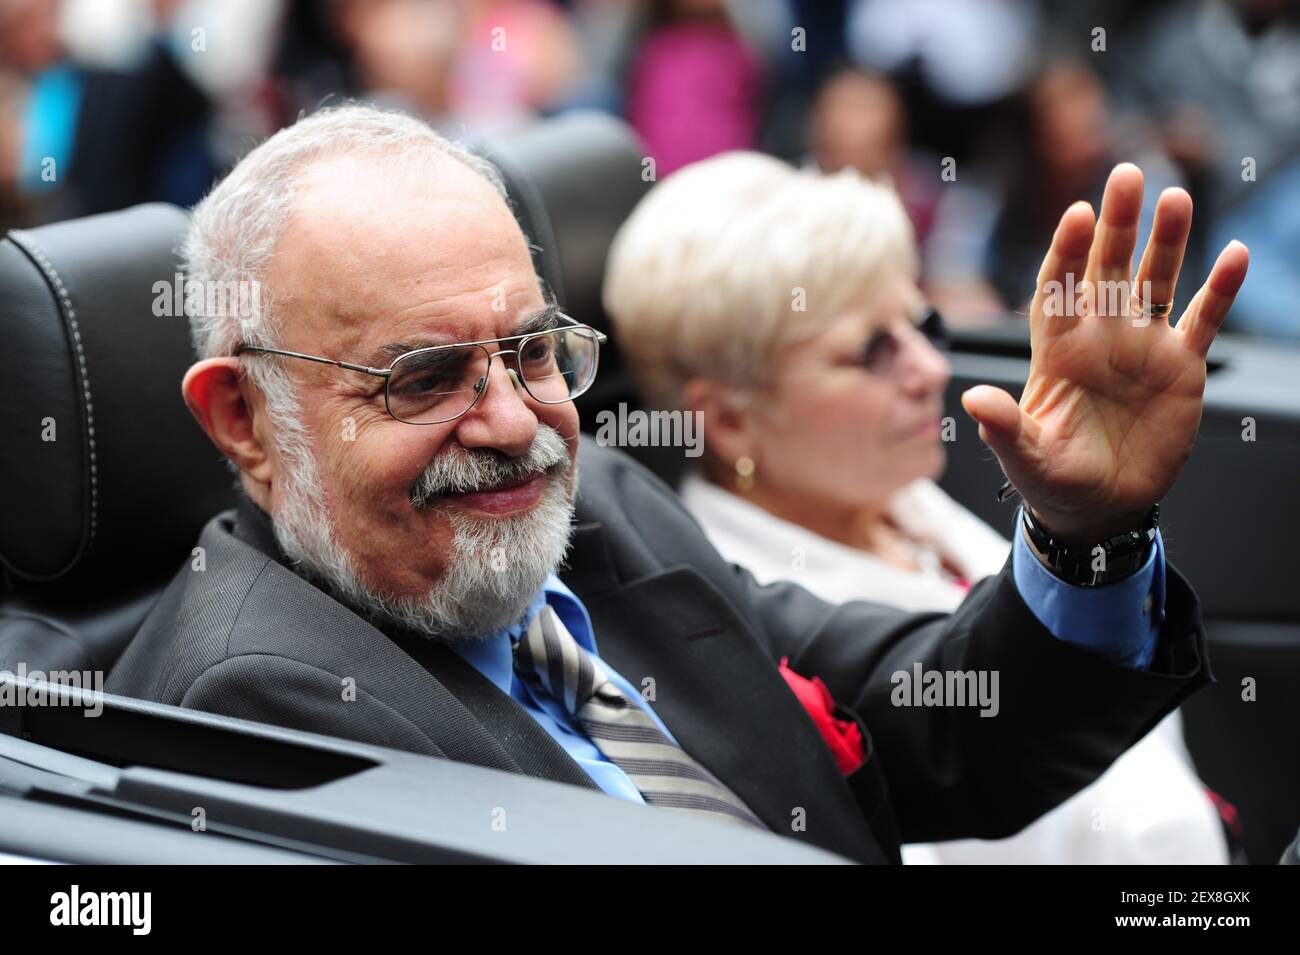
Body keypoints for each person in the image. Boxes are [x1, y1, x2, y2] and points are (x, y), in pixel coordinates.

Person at [107, 104, 1248, 864]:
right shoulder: (264, 703)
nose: (512, 421)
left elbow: (930, 723)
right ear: (244, 420)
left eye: (533, 349)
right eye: (422, 377)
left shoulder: (597, 498)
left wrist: (1082, 533)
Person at [602, 151, 1230, 863]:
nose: (931, 368)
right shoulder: (733, 616)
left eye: (923, 323)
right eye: (871, 351)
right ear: (729, 419)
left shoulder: (894, 496)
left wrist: (1094, 531)